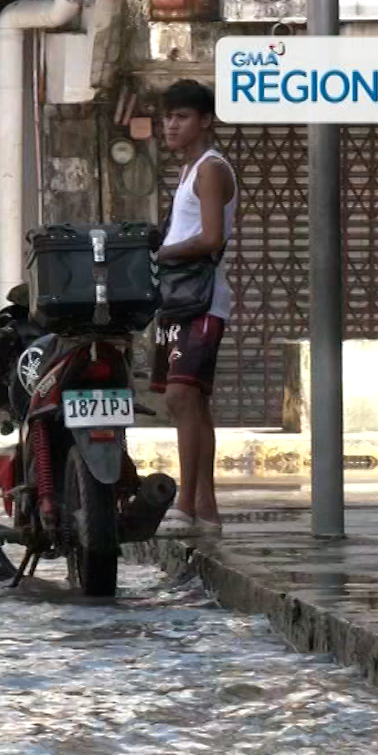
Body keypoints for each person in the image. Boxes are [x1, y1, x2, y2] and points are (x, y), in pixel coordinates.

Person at [151, 79, 237, 538]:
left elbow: (210, 238)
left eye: (181, 117)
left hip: (202, 301)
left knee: (181, 396)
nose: (171, 125)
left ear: (205, 120)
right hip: (180, 301)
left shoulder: (210, 168)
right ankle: (206, 509)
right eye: (168, 117)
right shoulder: (187, 171)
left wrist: (161, 254)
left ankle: (185, 504)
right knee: (192, 403)